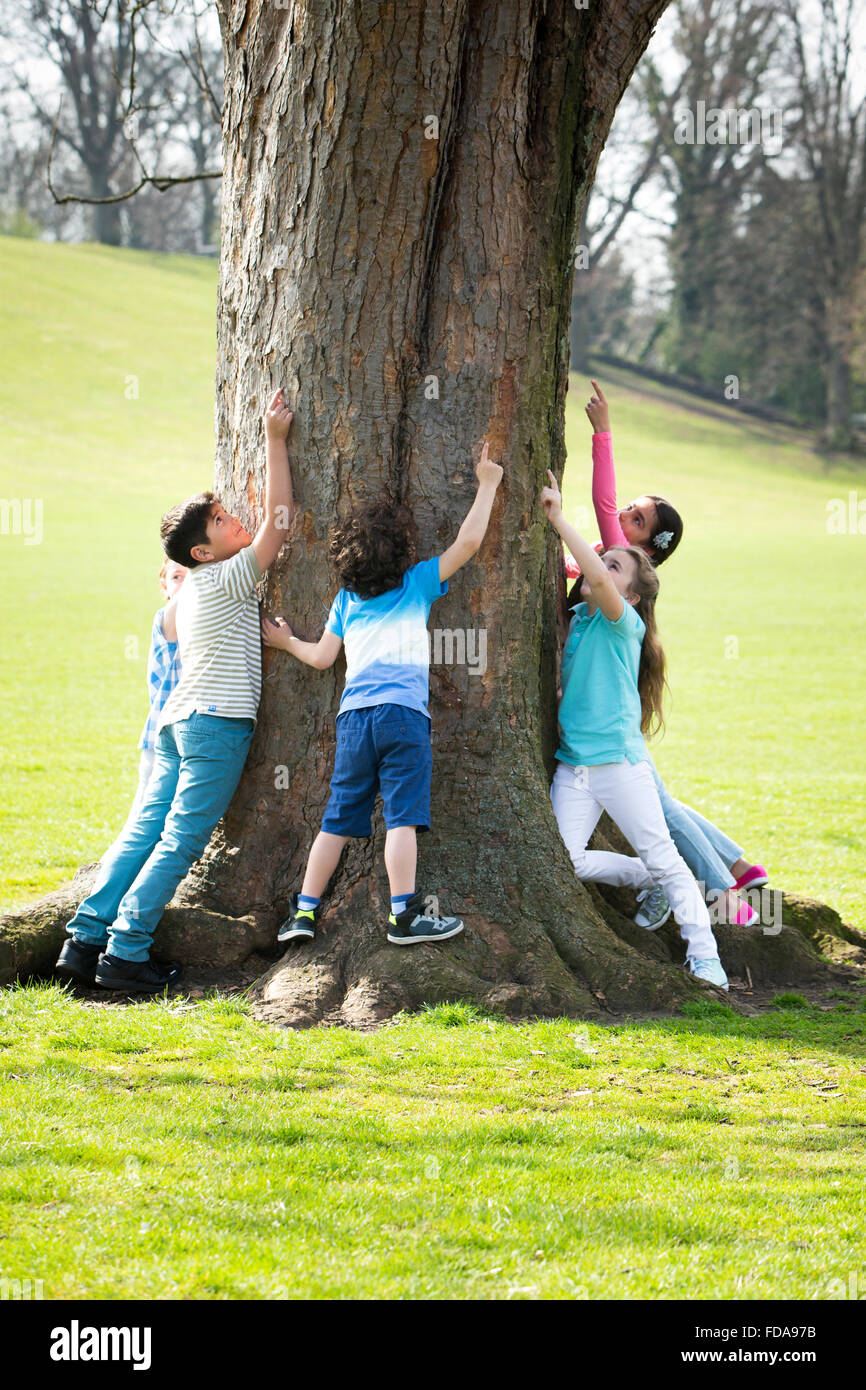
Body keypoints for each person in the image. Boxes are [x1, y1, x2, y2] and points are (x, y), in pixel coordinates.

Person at [54, 387, 295, 994]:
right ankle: (125, 952)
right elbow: (278, 523)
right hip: (214, 727)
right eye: (219, 521)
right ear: (202, 551)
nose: (232, 518)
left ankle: (84, 938)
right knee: (180, 839)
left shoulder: (189, 591)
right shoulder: (227, 576)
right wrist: (274, 440)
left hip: (178, 722)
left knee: (148, 830)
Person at [261, 441, 504, 947]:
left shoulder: (346, 600)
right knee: (402, 818)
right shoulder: (416, 584)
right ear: (403, 553)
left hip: (354, 719)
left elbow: (324, 657)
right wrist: (487, 484)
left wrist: (285, 642)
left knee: (337, 819)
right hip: (403, 717)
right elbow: (467, 544)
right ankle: (405, 915)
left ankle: (304, 911)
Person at [564, 379, 767, 929]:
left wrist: (603, 434)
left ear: (645, 547)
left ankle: (727, 894)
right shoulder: (623, 573)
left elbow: (604, 503)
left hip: (608, 732)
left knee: (663, 811)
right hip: (608, 723)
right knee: (663, 802)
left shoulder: (619, 557)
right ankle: (740, 868)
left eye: (636, 518)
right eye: (629, 512)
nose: (621, 519)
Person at [541, 467, 729, 991]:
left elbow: (597, 582)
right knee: (568, 859)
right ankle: (646, 879)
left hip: (620, 767)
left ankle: (706, 959)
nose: (603, 567)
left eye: (616, 565)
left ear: (634, 592)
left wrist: (557, 518)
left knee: (665, 855)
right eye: (604, 560)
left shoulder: (626, 623)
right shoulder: (579, 622)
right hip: (574, 768)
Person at [128, 558, 187, 819]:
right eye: (177, 577)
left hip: (187, 735)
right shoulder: (168, 617)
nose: (185, 583)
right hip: (161, 736)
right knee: (145, 813)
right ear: (164, 586)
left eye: (191, 574)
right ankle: (117, 860)